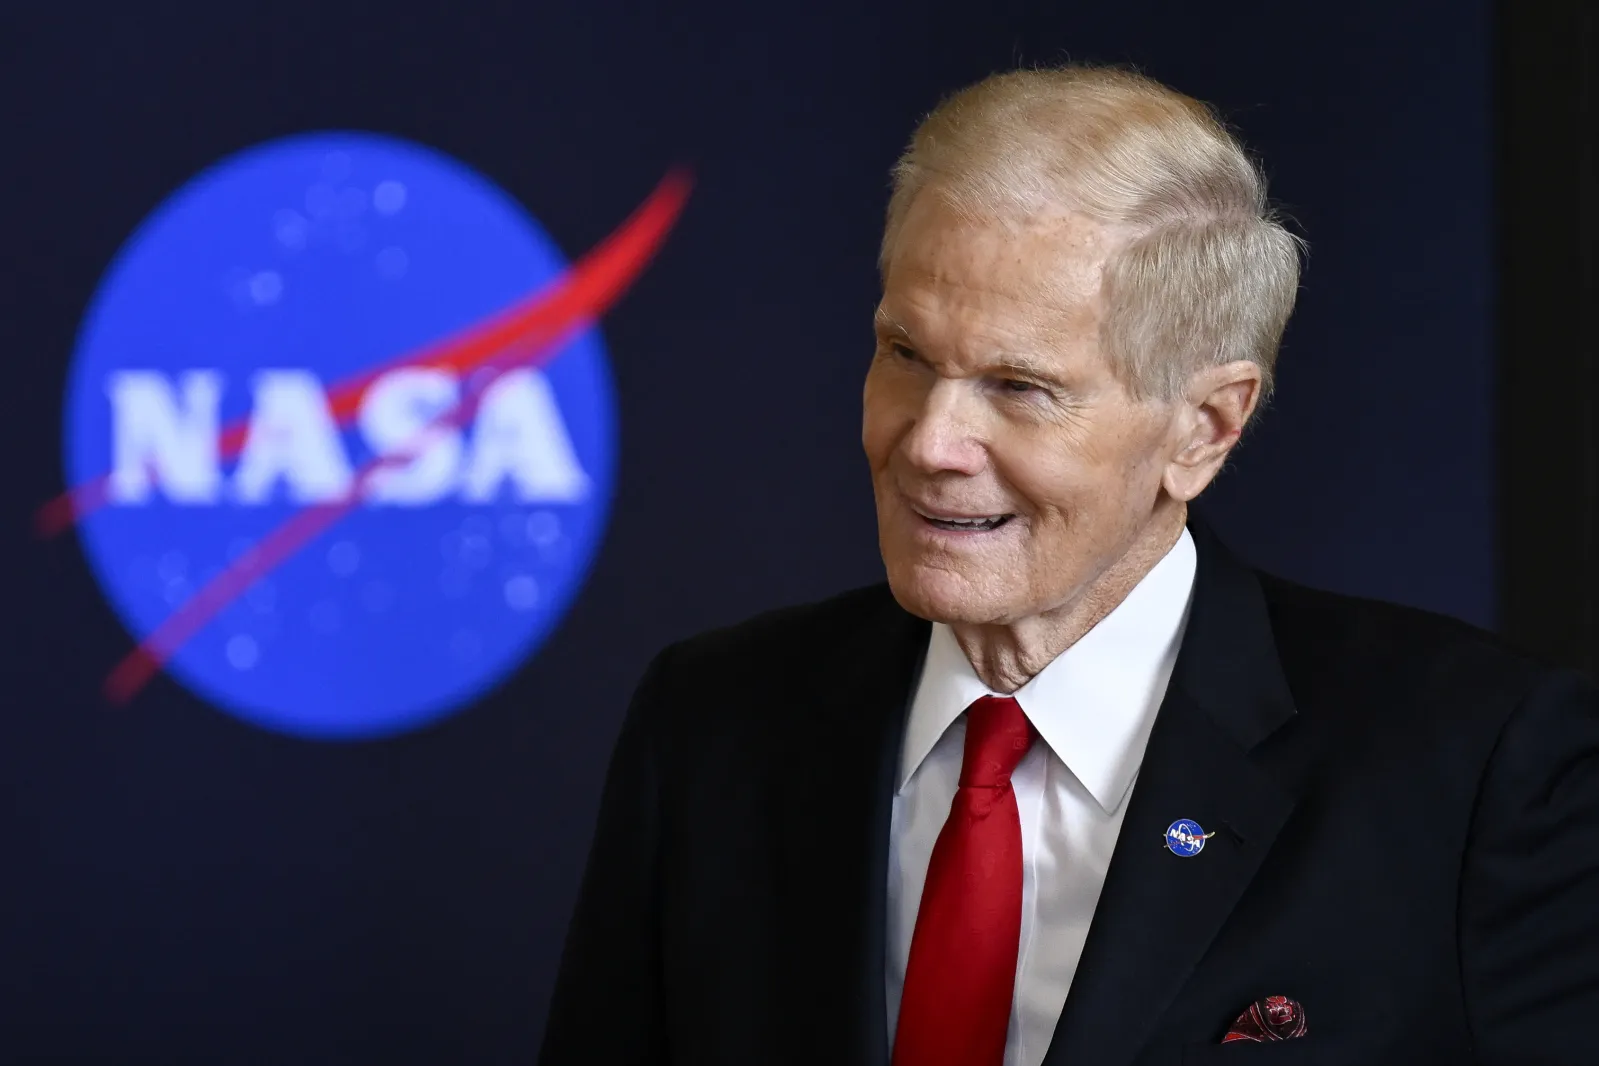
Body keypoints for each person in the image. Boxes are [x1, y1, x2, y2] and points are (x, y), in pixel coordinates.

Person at [537, 65, 1599, 1066]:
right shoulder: (713, 722)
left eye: (1019, 388)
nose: (928, 442)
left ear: (1204, 428)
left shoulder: (1473, 769)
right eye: (905, 355)